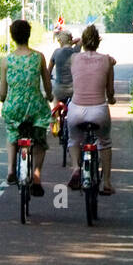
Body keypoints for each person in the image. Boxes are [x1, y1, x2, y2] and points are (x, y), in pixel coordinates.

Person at [0, 19, 52, 195]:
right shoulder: (39, 57)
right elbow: (47, 84)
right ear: (28, 35)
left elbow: (2, 92)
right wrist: (50, 96)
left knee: (12, 132)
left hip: (14, 108)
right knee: (39, 138)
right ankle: (36, 174)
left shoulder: (7, 60)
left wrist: (4, 99)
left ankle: (10, 170)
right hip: (35, 107)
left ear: (12, 37)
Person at [65, 24, 116, 195]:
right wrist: (112, 99)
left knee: (73, 140)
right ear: (98, 41)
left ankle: (75, 169)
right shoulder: (107, 60)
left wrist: (76, 44)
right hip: (98, 111)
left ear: (84, 41)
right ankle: (107, 182)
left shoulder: (74, 58)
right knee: (105, 142)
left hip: (76, 110)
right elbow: (110, 92)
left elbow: (75, 57)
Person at [48, 30, 80, 107]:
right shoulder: (75, 51)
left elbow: (48, 71)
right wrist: (71, 42)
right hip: (73, 90)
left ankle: (57, 117)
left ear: (60, 41)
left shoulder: (56, 52)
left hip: (59, 89)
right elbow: (80, 40)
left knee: (55, 101)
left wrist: (49, 76)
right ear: (70, 40)